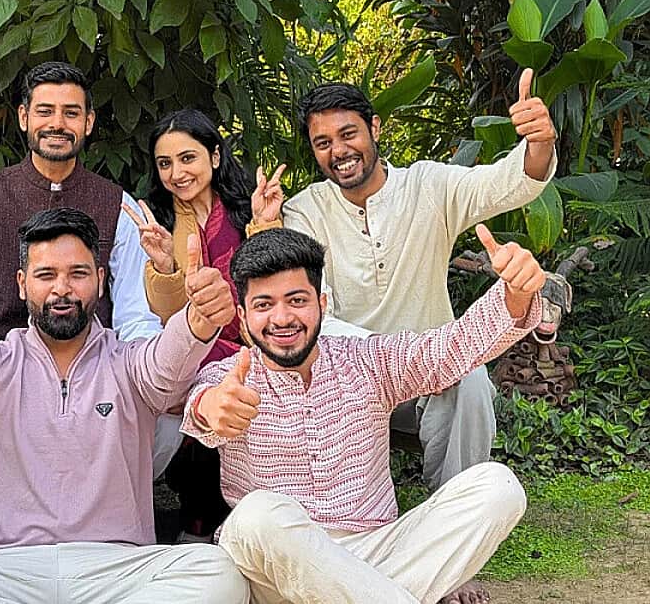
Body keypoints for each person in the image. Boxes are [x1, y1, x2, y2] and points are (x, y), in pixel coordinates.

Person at [0, 209, 250, 604]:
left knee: (217, 573)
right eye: (46, 275)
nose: (62, 289)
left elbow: (170, 362)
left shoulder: (130, 363)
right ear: (22, 284)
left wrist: (201, 319)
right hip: (4, 567)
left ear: (101, 281)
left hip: (116, 568)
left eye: (78, 274)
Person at [181, 226, 541, 604]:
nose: (282, 317)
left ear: (321, 304)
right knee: (258, 514)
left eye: (296, 300)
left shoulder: (367, 361)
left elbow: (449, 350)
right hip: (276, 569)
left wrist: (515, 296)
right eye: (264, 304)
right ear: (243, 315)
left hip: (377, 552)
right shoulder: (228, 376)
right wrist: (213, 410)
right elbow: (202, 408)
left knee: (498, 487)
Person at [255, 70, 555, 488]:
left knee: (468, 380)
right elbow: (292, 301)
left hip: (428, 375)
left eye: (348, 134)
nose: (338, 151)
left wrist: (539, 142)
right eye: (323, 143)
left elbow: (507, 183)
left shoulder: (427, 186)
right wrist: (265, 229)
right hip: (345, 388)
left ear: (374, 128)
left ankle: (456, 514)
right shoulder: (306, 210)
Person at [0, 61, 165, 528]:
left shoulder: (117, 204)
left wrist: (150, 377)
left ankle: (107, 533)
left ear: (88, 123)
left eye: (70, 112)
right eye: (45, 111)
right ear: (24, 117)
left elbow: (137, 313)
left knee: (163, 418)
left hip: (94, 376)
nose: (57, 124)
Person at [123, 108, 281, 540]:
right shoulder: (156, 220)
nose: (176, 173)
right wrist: (164, 264)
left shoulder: (244, 208)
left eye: (187, 158)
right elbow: (164, 312)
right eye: (165, 163)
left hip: (254, 340)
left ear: (214, 156)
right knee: (207, 395)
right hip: (190, 347)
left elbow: (273, 279)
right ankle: (199, 530)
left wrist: (265, 223)